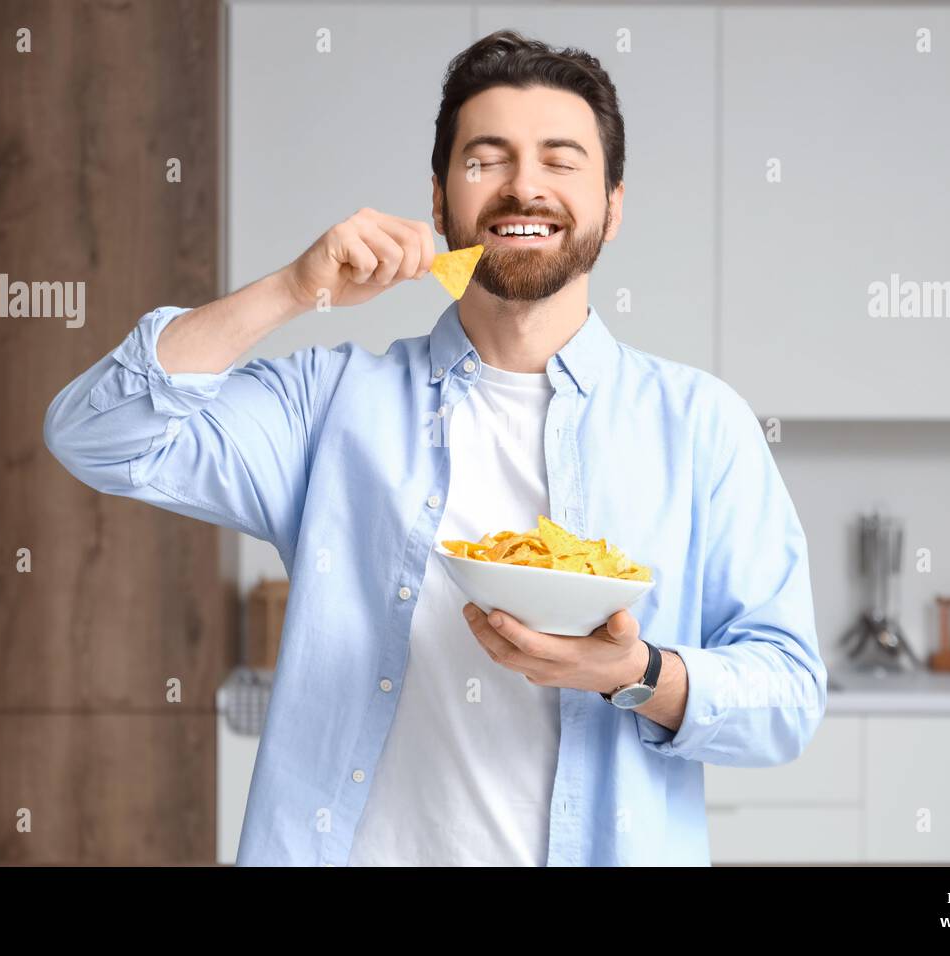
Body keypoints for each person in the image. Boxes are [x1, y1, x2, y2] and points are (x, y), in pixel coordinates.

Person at [43, 30, 826, 866]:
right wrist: (290, 291)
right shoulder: (331, 404)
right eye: (487, 158)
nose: (525, 184)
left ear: (614, 205)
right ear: (442, 198)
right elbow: (95, 433)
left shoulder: (702, 425)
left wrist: (633, 672)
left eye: (562, 160)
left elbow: (787, 699)